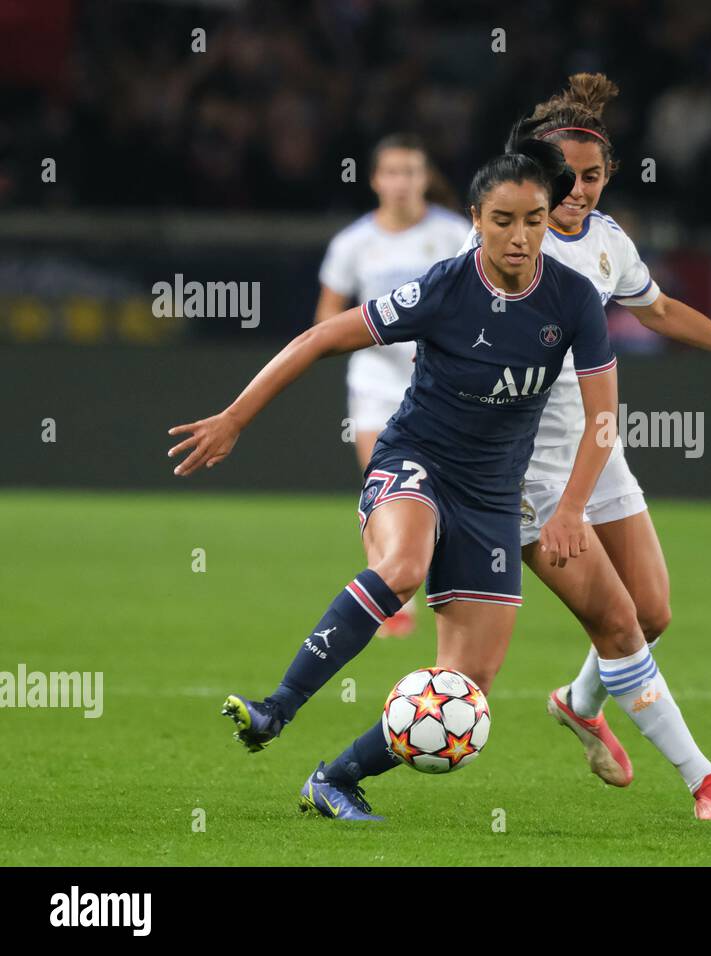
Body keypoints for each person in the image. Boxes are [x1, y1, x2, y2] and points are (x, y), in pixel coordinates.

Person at [168, 135, 620, 821]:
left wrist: (570, 509)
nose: (520, 236)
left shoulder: (574, 301)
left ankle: (336, 779)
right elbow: (319, 337)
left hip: (495, 497)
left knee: (467, 688)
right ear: (474, 217)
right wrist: (235, 418)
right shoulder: (443, 287)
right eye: (503, 220)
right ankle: (275, 709)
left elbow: (604, 421)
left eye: (533, 220)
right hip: (417, 462)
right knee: (404, 563)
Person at [460, 75, 711, 820]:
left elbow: (658, 309)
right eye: (566, 177)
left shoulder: (608, 244)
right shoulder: (498, 243)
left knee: (652, 612)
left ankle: (577, 701)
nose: (579, 191)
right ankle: (707, 782)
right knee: (619, 625)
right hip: (528, 468)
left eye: (594, 177)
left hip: (596, 449)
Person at [315, 134, 469, 637]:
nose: (402, 182)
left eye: (412, 172)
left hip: (442, 382)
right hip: (376, 380)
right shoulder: (353, 243)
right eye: (393, 172)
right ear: (376, 179)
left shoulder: (456, 235)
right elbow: (326, 318)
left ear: (426, 179)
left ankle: (453, 587)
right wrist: (377, 340)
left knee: (450, 491)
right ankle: (390, 600)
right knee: (381, 488)